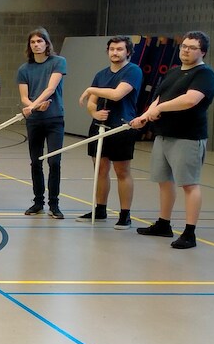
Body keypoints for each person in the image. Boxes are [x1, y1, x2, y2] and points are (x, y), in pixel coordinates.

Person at [129, 31, 214, 250]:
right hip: (163, 134)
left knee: (189, 183)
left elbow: (189, 100)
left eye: (192, 47)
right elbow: (160, 96)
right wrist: (145, 116)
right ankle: (163, 224)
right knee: (164, 181)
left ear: (202, 51)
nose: (186, 50)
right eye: (184, 46)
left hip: (187, 137)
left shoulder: (204, 74)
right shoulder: (174, 71)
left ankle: (189, 232)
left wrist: (160, 108)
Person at [77, 36, 143, 228]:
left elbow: (117, 94)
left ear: (128, 52)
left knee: (122, 171)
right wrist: (94, 112)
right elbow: (92, 102)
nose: (115, 52)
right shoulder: (101, 74)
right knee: (100, 170)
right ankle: (100, 209)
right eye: (112, 49)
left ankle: (125, 215)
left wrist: (90, 89)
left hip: (121, 127)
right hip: (99, 127)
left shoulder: (133, 71)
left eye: (120, 49)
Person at [16, 28, 67, 219]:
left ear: (47, 43)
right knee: (35, 162)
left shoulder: (58, 62)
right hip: (34, 120)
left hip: (54, 120)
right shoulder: (24, 69)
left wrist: (34, 105)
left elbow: (51, 88)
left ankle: (54, 205)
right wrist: (35, 108)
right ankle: (38, 202)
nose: (36, 44)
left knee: (54, 161)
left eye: (40, 41)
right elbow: (24, 97)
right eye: (33, 42)